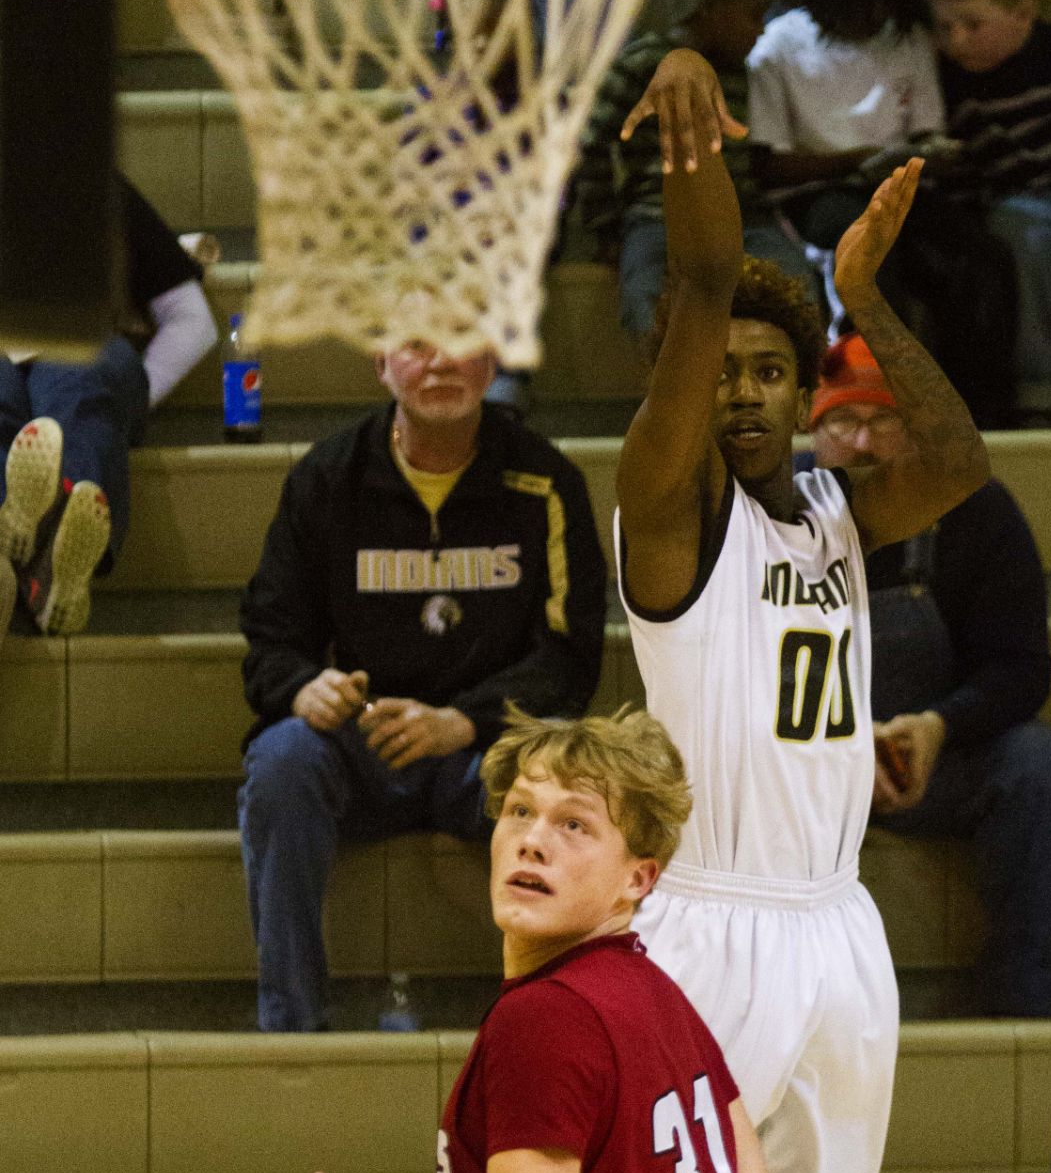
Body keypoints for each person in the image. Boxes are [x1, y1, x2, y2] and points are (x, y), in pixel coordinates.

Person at [612, 44, 991, 1173]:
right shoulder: (667, 512)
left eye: (769, 371)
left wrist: (864, 296)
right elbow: (702, 279)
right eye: (720, 371)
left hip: (837, 928)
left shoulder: (833, 511)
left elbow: (957, 460)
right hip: (703, 929)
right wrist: (688, 107)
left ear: (801, 390)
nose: (741, 390)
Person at [290, 705, 796, 1173]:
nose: (532, 841)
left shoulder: (545, 1018)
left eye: (574, 824)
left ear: (638, 878)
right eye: (520, 810)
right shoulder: (664, 998)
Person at [238, 342, 607, 1031]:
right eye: (416, 342)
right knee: (282, 760)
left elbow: (570, 657)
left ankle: (555, 1026)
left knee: (569, 780)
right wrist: (303, 687)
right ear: (381, 364)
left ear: (493, 363)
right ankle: (290, 1028)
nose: (440, 361)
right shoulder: (327, 478)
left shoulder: (546, 480)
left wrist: (463, 721)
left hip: (488, 751)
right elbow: (270, 635)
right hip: (363, 744)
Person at [810, 332, 1051, 1018]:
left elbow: (1022, 668)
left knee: (1037, 763)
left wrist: (939, 725)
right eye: (843, 423)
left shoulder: (977, 509)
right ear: (811, 427)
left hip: (933, 761)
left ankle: (1029, 1011)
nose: (863, 443)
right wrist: (838, 750)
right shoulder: (775, 511)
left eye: (884, 422)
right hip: (804, 768)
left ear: (917, 428)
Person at [747, 0, 1017, 427]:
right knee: (866, 260)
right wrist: (859, 161)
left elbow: (926, 131)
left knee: (982, 260)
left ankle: (978, 411)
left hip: (903, 187)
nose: (877, 10)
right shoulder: (779, 46)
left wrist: (933, 155)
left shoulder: (907, 38)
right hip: (821, 195)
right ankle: (869, 407)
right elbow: (770, 163)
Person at [575, 0, 818, 349]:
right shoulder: (641, 65)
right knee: (648, 302)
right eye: (753, 15)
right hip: (659, 217)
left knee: (799, 292)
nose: (761, 30)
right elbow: (592, 147)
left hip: (745, 217)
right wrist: (607, 230)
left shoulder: (743, 75)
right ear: (708, 8)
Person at [0, 173, 217, 641]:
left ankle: (45, 548)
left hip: (84, 357)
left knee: (81, 367)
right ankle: (43, 569)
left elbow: (192, 320)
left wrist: (130, 399)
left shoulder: (96, 184)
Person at [926, 0, 1051, 423]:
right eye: (944, 27)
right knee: (1020, 248)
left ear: (1023, 14)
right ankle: (1040, 399)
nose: (957, 40)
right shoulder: (947, 83)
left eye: (973, 24)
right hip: (1023, 203)